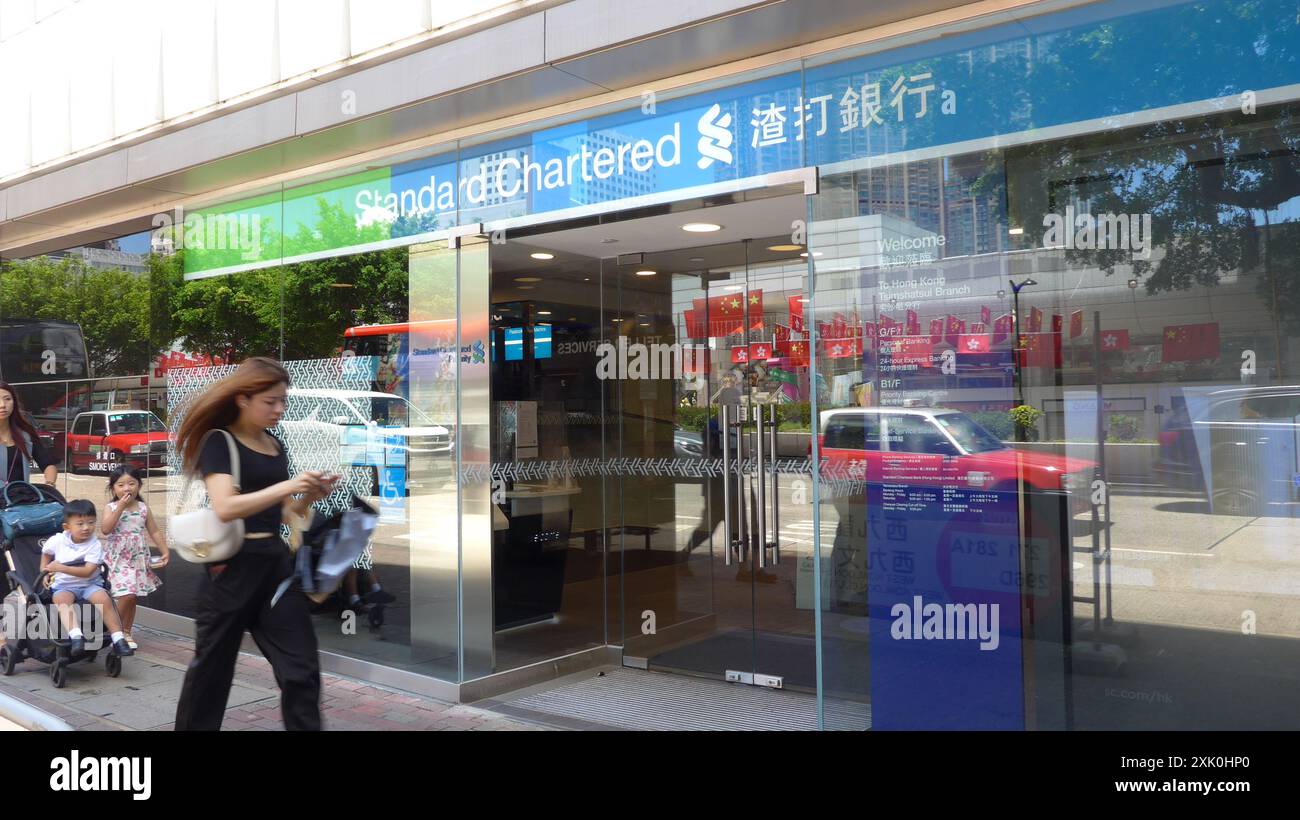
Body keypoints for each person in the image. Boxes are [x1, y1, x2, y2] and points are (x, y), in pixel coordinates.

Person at [173, 357, 339, 731]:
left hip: (275, 566)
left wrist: (310, 494)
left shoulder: (275, 445)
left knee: (301, 670)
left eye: (283, 401)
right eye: (271, 401)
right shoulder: (220, 442)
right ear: (243, 399)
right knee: (211, 674)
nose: (279, 409)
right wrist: (288, 485)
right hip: (231, 569)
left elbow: (282, 514)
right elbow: (226, 507)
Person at [39, 499, 134, 657]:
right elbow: (46, 553)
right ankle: (77, 637)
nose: (86, 528)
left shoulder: (94, 544)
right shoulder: (57, 540)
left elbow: (88, 571)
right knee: (62, 600)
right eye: (80, 524)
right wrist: (45, 570)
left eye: (91, 523)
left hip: (90, 583)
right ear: (67, 527)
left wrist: (60, 568)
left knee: (104, 599)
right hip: (64, 585)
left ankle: (118, 639)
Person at [100, 465, 169, 649]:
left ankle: (126, 632)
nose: (127, 488)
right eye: (121, 485)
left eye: (131, 483)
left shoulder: (143, 508)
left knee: (132, 597)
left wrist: (165, 550)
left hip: (137, 559)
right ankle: (114, 630)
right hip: (117, 559)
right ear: (113, 488)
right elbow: (106, 529)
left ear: (139, 485)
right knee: (128, 595)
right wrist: (120, 507)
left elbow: (153, 530)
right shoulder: (112, 507)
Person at [0, 381, 58, 489]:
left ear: (14, 402)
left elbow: (48, 464)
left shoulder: (26, 435)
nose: (3, 405)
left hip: (20, 501)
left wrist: (50, 483)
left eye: (7, 399)